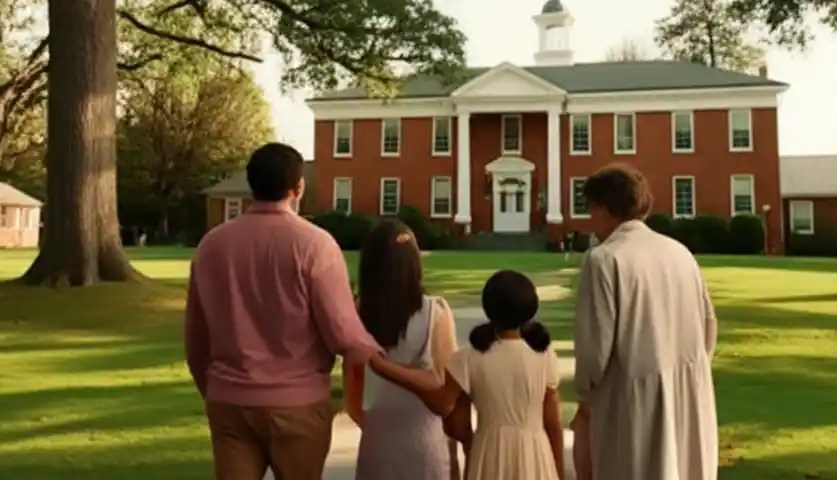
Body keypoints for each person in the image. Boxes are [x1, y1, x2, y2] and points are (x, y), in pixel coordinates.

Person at [185, 142, 404, 480]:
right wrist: (386, 359)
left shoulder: (212, 245)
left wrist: (215, 390)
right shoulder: (314, 244)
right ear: (298, 187)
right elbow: (343, 333)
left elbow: (196, 337)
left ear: (251, 183)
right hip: (296, 403)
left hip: (230, 400)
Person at [573, 164, 719, 480]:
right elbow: (709, 325)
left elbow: (595, 349)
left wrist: (585, 397)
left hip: (631, 398)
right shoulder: (680, 252)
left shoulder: (604, 258)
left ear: (601, 208)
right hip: (689, 391)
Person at [374, 270, 565, 480]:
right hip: (536, 456)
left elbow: (454, 421)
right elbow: (553, 423)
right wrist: (559, 471)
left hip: (489, 454)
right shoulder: (544, 356)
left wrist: (388, 369)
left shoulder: (468, 358)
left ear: (489, 308)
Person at [346, 219, 460, 480]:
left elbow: (353, 399)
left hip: (378, 441)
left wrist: (376, 425)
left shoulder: (356, 313)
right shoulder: (436, 313)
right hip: (425, 439)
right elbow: (449, 392)